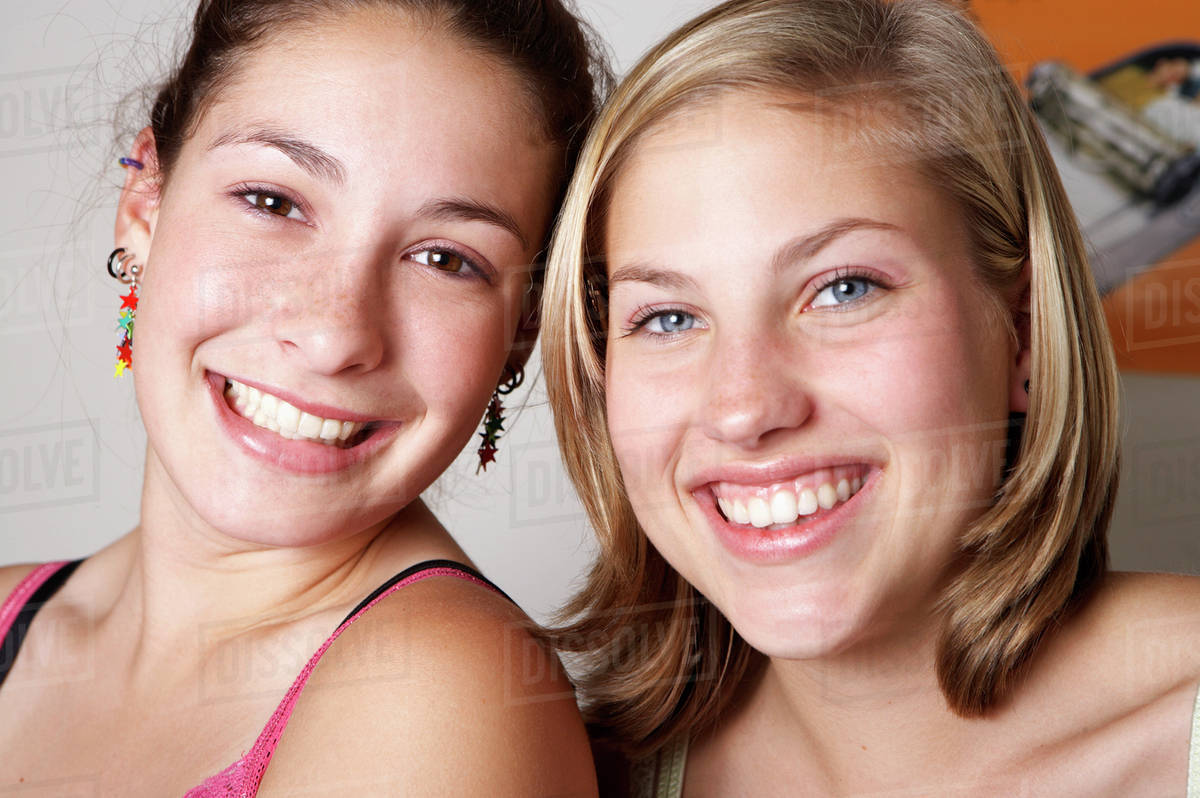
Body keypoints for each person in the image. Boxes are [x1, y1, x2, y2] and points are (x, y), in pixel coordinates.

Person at [540, 0, 1200, 794]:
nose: (744, 410)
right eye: (669, 318)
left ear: (1022, 333)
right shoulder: (564, 773)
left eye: (843, 288)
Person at [0, 0, 606, 794]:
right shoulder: (12, 610)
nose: (333, 336)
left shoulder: (438, 698)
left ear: (523, 328)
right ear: (145, 203)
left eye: (446, 260)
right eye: (273, 203)